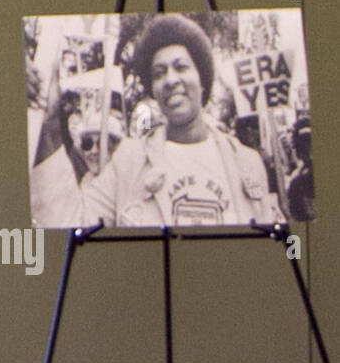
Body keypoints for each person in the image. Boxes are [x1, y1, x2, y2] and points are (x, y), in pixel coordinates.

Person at [30, 14, 282, 228]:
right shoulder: (129, 160)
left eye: (181, 67)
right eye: (159, 74)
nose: (171, 80)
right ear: (154, 90)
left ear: (202, 80)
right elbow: (73, 223)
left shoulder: (247, 162)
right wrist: (49, 126)